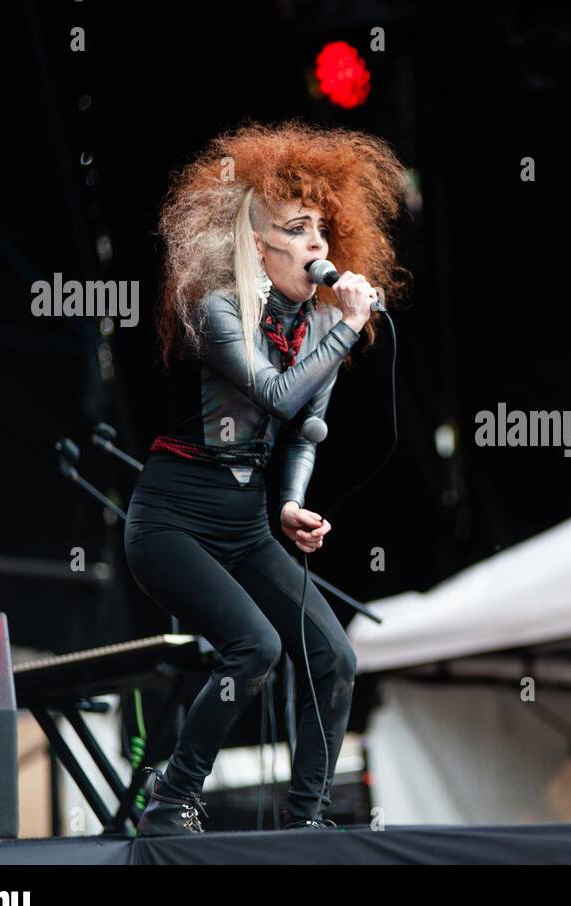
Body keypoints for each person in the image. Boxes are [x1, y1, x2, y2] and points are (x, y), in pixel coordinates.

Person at [124, 120, 407, 834]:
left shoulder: (314, 326)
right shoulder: (217, 308)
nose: (319, 245)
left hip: (248, 523)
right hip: (173, 520)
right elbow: (275, 395)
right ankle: (170, 799)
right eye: (299, 228)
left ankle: (306, 822)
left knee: (334, 657)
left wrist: (288, 505)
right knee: (256, 648)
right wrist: (345, 330)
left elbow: (306, 429)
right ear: (258, 244)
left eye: (322, 229)